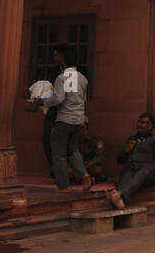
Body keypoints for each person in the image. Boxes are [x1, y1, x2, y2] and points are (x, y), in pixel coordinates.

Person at [36, 46, 91, 191]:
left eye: (57, 56)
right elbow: (83, 99)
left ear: (63, 58)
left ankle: (63, 186)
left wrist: (43, 100)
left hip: (64, 120)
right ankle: (84, 175)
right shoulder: (83, 78)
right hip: (78, 120)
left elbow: (59, 99)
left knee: (59, 154)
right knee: (73, 151)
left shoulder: (62, 78)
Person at [106, 112, 155, 210]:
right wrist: (126, 150)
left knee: (142, 172)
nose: (139, 125)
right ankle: (119, 201)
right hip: (132, 170)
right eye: (139, 122)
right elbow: (120, 160)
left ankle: (118, 194)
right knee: (126, 174)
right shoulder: (132, 139)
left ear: (150, 126)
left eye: (143, 123)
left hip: (150, 173)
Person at [78, 117, 105, 183]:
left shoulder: (95, 139)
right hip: (76, 166)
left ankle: (81, 180)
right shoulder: (73, 139)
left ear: (85, 126)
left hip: (90, 166)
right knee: (55, 171)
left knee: (97, 171)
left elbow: (99, 156)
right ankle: (86, 180)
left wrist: (86, 166)